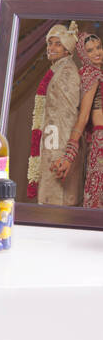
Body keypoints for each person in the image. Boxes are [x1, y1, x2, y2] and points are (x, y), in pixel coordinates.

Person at [30, 23, 83, 205]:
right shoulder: (56, 69)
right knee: (48, 201)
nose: (51, 48)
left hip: (58, 149)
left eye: (57, 44)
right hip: (51, 144)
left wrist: (62, 155)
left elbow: (68, 116)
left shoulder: (67, 72)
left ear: (67, 49)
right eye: (49, 43)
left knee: (56, 204)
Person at [54, 30, 103, 207]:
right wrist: (68, 156)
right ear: (82, 54)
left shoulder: (88, 73)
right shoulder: (93, 75)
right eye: (90, 50)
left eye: (98, 47)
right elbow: (83, 117)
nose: (97, 52)